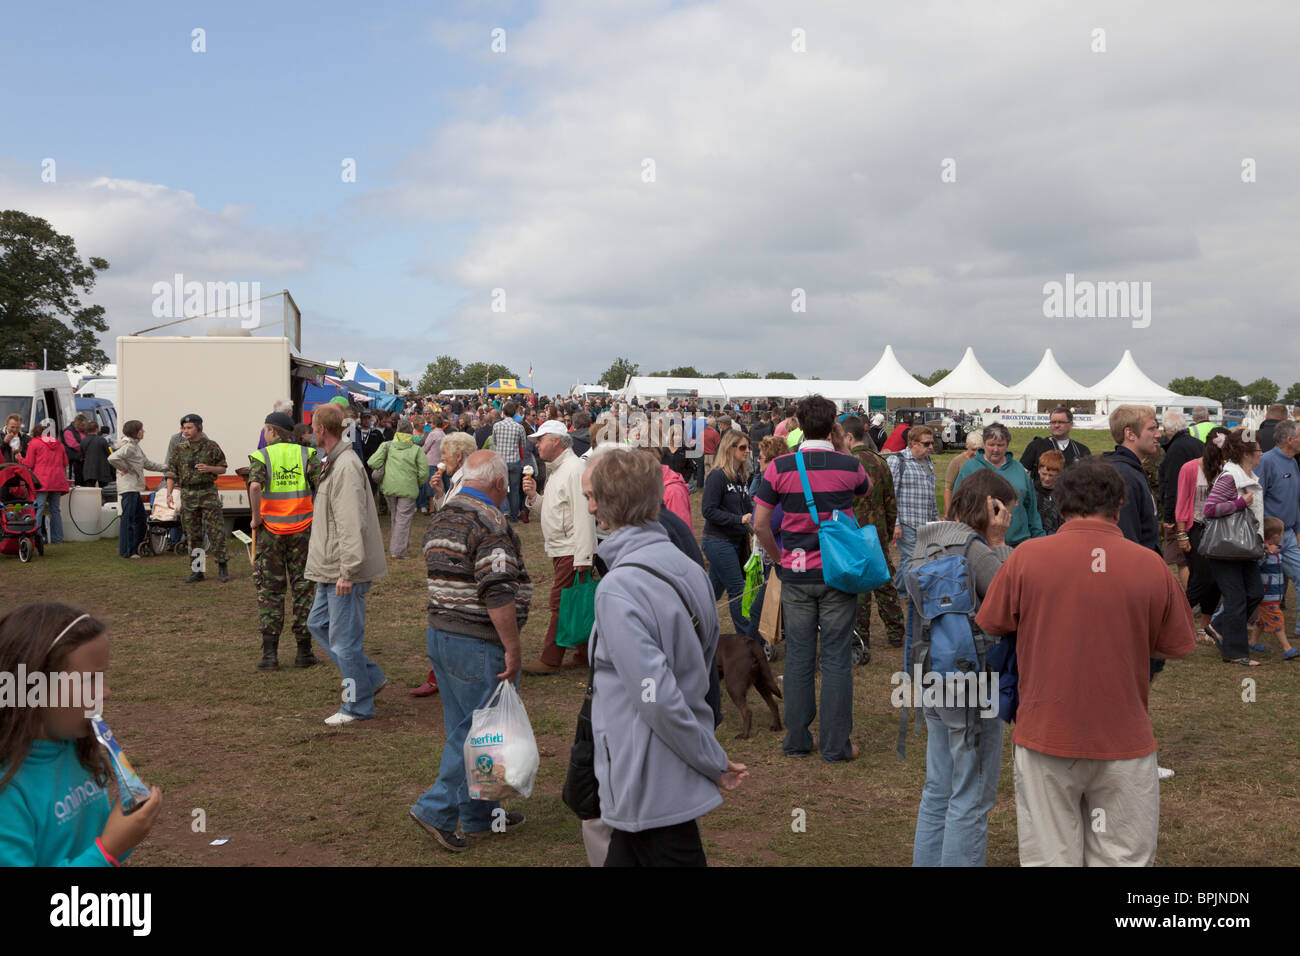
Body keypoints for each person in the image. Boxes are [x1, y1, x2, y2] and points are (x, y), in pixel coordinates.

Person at [975, 459, 1196, 866]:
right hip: (1123, 738)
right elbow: (1176, 644)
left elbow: (993, 622)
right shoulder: (1149, 565)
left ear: (1060, 506)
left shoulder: (1026, 558)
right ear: (1119, 505)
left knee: (1049, 855)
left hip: (1046, 734)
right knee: (1122, 857)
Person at [585, 446, 746, 865]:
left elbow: (655, 696)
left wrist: (713, 760)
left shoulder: (619, 587)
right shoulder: (688, 565)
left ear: (604, 507)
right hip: (649, 779)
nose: (588, 506)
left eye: (593, 497)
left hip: (649, 780)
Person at [409, 452, 530, 852]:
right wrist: (512, 646)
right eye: (506, 484)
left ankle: (479, 810)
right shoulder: (491, 522)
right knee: (479, 731)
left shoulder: (444, 513)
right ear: (498, 483)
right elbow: (496, 588)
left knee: (466, 724)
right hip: (478, 639)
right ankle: (437, 807)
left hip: (441, 632)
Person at [0, 604, 164, 866]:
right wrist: (109, 849)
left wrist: (126, 826)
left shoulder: (77, 751)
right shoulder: (8, 790)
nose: (106, 692)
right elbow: (100, 854)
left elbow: (92, 848)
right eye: (89, 680)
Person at [752, 395, 869, 763]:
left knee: (799, 657)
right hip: (837, 572)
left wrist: (780, 560)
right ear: (833, 422)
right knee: (835, 660)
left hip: (797, 571)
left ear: (797, 423)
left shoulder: (780, 467)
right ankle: (836, 745)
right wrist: (840, 445)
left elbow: (759, 524)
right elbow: (863, 490)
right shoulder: (848, 465)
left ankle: (798, 740)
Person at [910, 470, 1016, 867]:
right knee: (971, 795)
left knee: (939, 787)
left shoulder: (926, 538)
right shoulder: (975, 548)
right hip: (973, 675)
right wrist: (998, 543)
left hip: (930, 669)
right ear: (992, 507)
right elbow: (1011, 599)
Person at [305, 403, 389, 725]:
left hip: (342, 569)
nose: (311, 431)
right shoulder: (334, 462)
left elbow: (352, 523)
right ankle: (371, 677)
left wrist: (348, 571)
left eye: (313, 426)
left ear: (321, 430)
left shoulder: (346, 466)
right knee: (318, 623)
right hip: (330, 566)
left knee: (344, 640)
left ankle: (357, 705)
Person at [248, 412, 323, 671]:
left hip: (270, 532)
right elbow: (321, 487)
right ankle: (304, 652)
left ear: (271, 431)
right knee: (303, 588)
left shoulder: (262, 456)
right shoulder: (306, 455)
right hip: (302, 530)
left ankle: (270, 655)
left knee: (270, 590)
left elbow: (255, 487)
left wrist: (256, 517)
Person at [521, 420, 597, 674]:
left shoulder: (574, 469)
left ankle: (550, 658)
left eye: (540, 440)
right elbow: (555, 510)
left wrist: (583, 554)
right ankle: (586, 651)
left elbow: (584, 514)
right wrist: (534, 497)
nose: (537, 445)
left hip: (571, 548)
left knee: (561, 602)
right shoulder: (558, 470)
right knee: (577, 601)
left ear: (555, 441)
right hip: (563, 547)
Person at [1204, 430, 1266, 666]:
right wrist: (1240, 503)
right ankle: (1235, 652)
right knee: (1237, 598)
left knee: (1254, 592)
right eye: (1258, 449)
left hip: (1245, 547)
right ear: (1246, 452)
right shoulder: (1231, 477)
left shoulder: (1247, 475)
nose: (1261, 453)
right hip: (1227, 547)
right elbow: (1210, 509)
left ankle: (1218, 627)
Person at [845, 415, 903, 653]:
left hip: (854, 532)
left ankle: (860, 637)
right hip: (877, 531)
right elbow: (891, 503)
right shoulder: (880, 462)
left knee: (860, 588)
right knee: (885, 581)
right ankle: (896, 631)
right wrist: (888, 531)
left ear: (849, 437)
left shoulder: (848, 464)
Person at [701, 429, 757, 644]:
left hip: (735, 542)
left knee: (710, 594)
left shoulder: (741, 477)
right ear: (729, 448)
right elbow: (708, 510)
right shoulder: (717, 476)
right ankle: (748, 641)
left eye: (748, 447)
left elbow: (746, 507)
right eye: (742, 447)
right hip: (717, 541)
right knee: (738, 590)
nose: (747, 451)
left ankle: (690, 624)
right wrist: (739, 519)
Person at [1176, 427, 1230, 643]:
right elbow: (1182, 501)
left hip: (1219, 530)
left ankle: (1206, 627)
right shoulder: (1190, 468)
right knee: (1202, 577)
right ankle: (1174, 619)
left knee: (1215, 579)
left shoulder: (1225, 469)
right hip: (1196, 528)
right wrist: (1182, 534)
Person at [1252, 419, 1300, 653]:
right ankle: (1219, 623)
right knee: (1257, 585)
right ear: (1290, 439)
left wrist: (1298, 530)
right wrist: (1264, 537)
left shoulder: (1293, 463)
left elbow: (1294, 500)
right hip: (1270, 537)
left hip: (1288, 535)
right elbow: (1256, 499)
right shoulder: (1268, 462)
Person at [165, 413, 230, 583]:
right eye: (183, 428)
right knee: (193, 534)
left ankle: (222, 565)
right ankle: (198, 570)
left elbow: (222, 468)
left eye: (189, 428)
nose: (185, 431)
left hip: (207, 492)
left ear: (199, 428)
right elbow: (171, 472)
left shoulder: (211, 446)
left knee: (215, 531)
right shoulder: (179, 449)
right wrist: (169, 493)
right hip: (188, 495)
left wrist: (209, 468)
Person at [954, 423, 1042, 546]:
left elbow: (1032, 508)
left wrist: (1039, 538)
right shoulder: (970, 468)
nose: (996, 449)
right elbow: (957, 506)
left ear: (1007, 446)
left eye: (1000, 445)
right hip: (981, 545)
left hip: (1018, 543)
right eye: (991, 445)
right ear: (984, 444)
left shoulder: (1019, 469)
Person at [1101, 405, 1161, 553]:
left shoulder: (1132, 470)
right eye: (1152, 429)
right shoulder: (1124, 475)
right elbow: (1125, 538)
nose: (1158, 434)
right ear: (1130, 434)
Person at [107, 420, 168, 560]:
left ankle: (136, 547)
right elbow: (112, 458)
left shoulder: (135, 447)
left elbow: (147, 463)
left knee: (140, 518)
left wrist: (165, 467)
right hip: (129, 488)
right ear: (136, 432)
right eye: (142, 429)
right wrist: (125, 468)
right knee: (128, 519)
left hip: (134, 488)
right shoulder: (129, 447)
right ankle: (127, 551)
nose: (144, 431)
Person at [1157, 410, 1204, 590]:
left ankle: (1192, 600)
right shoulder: (1199, 444)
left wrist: (1169, 518)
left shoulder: (1175, 450)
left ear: (1166, 429)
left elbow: (1171, 485)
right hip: (1201, 510)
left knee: (1183, 560)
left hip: (1182, 514)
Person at [889, 425, 941, 583]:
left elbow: (930, 495)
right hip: (906, 524)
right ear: (913, 443)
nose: (931, 447)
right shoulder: (897, 460)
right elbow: (891, 495)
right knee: (914, 560)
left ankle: (900, 590)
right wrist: (896, 524)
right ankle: (913, 596)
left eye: (931, 443)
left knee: (908, 560)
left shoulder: (928, 461)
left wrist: (935, 519)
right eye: (926, 444)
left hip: (924, 523)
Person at [368, 420, 424, 559]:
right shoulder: (416, 449)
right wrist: (416, 482)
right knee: (403, 519)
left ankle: (396, 546)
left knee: (396, 517)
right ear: (411, 431)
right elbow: (423, 473)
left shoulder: (386, 445)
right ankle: (398, 551)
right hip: (408, 488)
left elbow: (372, 462)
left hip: (389, 487)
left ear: (397, 430)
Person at [1253, 517, 1298, 658]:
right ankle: (1287, 648)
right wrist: (1266, 552)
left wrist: (1274, 549)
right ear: (1276, 537)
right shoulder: (1263, 553)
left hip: (1274, 594)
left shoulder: (1277, 550)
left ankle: (1252, 642)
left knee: (1261, 620)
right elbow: (1257, 565)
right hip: (1267, 595)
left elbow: (1278, 549)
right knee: (1277, 619)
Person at [23, 422, 69, 544]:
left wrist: (18, 458)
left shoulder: (34, 443)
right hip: (57, 480)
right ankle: (57, 538)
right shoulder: (59, 444)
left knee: (39, 509)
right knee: (55, 510)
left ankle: (36, 537)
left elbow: (29, 464)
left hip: (41, 480)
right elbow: (65, 463)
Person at [1019, 406, 1091, 481]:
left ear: (1071, 425)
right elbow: (1019, 475)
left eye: (1061, 422)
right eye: (1053, 422)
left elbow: (1088, 480)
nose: (1056, 425)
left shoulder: (1082, 450)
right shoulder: (1037, 446)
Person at [492, 402, 527, 521]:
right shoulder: (519, 427)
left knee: (501, 488)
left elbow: (495, 441)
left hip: (501, 460)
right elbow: (523, 444)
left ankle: (505, 510)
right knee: (515, 490)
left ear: (504, 412)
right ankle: (513, 517)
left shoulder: (497, 426)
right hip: (514, 461)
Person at [944, 429, 982, 516]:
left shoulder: (983, 461)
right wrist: (948, 513)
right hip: (961, 509)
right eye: (973, 449)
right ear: (966, 446)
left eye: (978, 450)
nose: (975, 453)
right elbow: (948, 489)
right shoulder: (957, 461)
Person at [1033, 449, 1064, 535]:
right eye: (1044, 474)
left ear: (1060, 474)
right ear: (1038, 470)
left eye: (1051, 476)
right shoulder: (1031, 492)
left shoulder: (1066, 494)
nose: (1047, 479)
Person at [79, 421, 113, 488]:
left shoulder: (83, 441)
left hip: (89, 469)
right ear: (97, 429)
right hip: (102, 469)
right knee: (104, 489)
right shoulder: (102, 440)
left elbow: (81, 455)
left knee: (90, 489)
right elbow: (109, 453)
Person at [62, 415, 87, 487]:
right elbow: (73, 445)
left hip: (83, 459)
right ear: (77, 424)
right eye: (82, 425)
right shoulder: (68, 431)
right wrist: (86, 448)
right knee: (76, 480)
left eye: (84, 425)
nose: (84, 427)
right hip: (74, 459)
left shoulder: (84, 431)